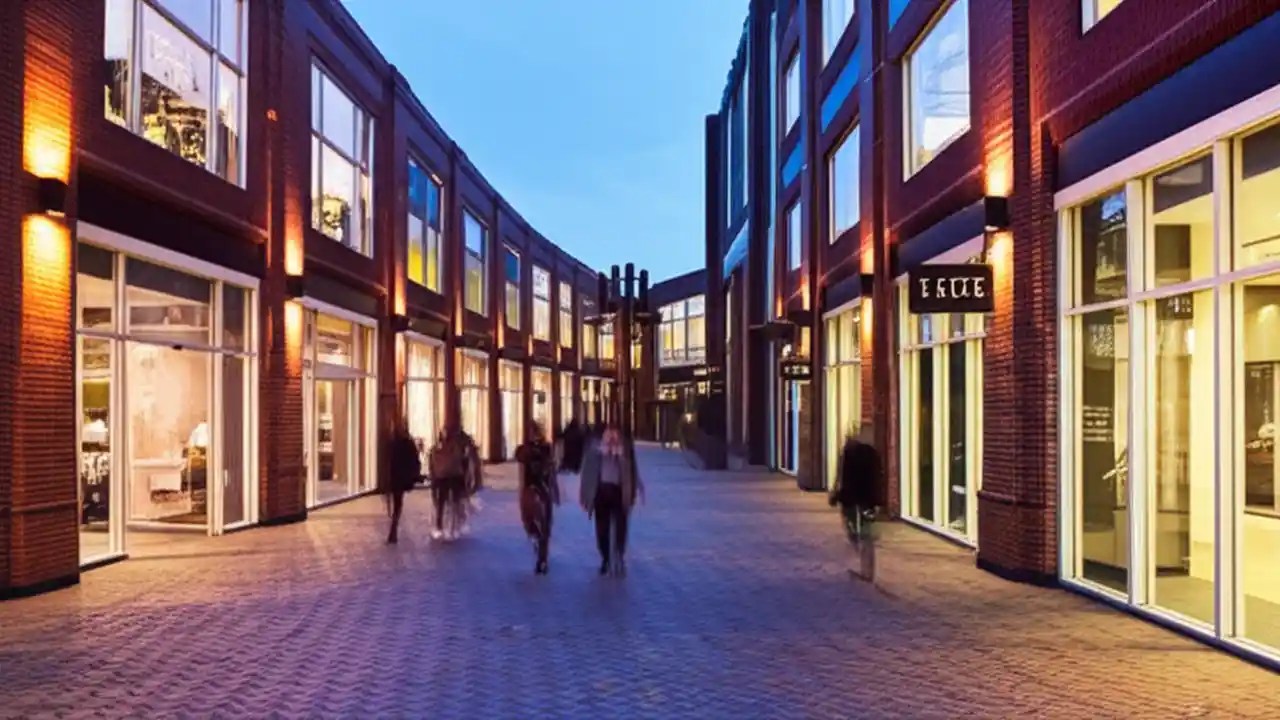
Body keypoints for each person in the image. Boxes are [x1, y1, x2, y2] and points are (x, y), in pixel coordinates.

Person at [579, 421, 642, 576]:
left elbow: (632, 471)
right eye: (609, 433)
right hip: (601, 491)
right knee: (602, 527)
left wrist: (633, 491)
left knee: (621, 525)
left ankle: (619, 554)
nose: (612, 437)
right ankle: (606, 558)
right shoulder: (595, 450)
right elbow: (587, 472)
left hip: (619, 492)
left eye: (615, 434)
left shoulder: (625, 449)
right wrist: (585, 495)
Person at [829, 427, 882, 582]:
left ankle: (859, 553)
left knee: (852, 527)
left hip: (850, 497)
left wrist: (835, 492)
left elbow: (840, 477)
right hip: (867, 498)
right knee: (867, 535)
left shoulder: (848, 453)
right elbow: (878, 478)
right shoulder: (873, 454)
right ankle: (868, 571)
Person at [516, 421, 560, 574]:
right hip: (529, 488)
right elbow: (519, 455)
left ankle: (542, 559)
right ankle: (536, 537)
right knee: (528, 520)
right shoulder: (525, 448)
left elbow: (550, 467)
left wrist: (555, 491)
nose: (533, 435)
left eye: (535, 431)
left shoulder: (546, 448)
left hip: (543, 488)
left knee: (546, 526)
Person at [429, 422, 477, 540]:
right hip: (452, 476)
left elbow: (433, 464)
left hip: (444, 477)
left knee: (443, 503)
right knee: (453, 502)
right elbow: (462, 460)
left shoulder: (437, 448)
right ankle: (452, 526)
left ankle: (443, 526)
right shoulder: (454, 447)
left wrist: (433, 477)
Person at [384, 418, 422, 545]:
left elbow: (412, 461)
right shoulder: (403, 442)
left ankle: (393, 530)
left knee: (396, 504)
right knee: (397, 504)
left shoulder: (396, 442)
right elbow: (414, 461)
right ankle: (393, 530)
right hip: (398, 477)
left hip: (397, 478)